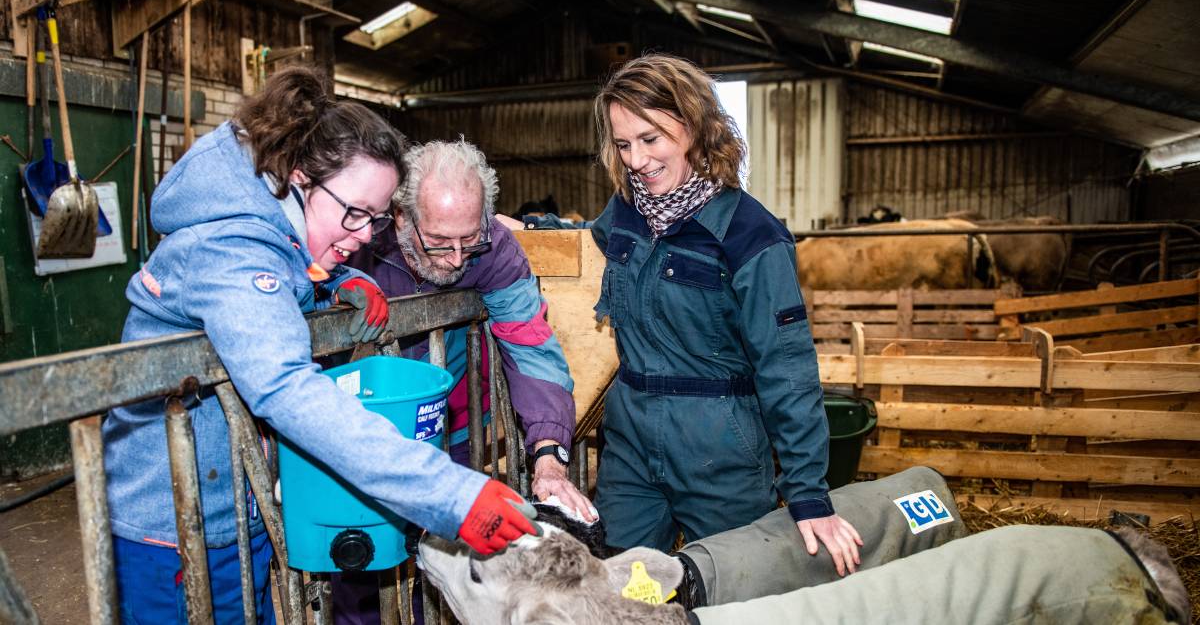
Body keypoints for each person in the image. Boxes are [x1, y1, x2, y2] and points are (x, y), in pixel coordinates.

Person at [101, 68, 537, 624]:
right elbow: (285, 387)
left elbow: (274, 286)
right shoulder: (234, 248)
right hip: (174, 527)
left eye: (374, 220)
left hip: (233, 507)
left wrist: (326, 283)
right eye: (354, 213)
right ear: (302, 178)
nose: (362, 237)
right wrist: (452, 496)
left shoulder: (272, 228)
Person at [588, 54, 863, 575]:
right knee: (621, 583)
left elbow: (788, 369)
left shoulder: (751, 236)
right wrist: (533, 230)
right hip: (630, 444)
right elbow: (588, 236)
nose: (637, 160)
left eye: (651, 139)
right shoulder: (626, 210)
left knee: (736, 587)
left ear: (694, 126)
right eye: (623, 145)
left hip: (720, 447)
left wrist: (808, 494)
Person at [334, 138, 594, 623]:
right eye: (438, 242)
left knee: (440, 563)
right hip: (357, 438)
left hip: (446, 433)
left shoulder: (494, 247)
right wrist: (332, 286)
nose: (456, 259)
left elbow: (530, 344)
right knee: (361, 568)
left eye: (468, 240)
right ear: (402, 217)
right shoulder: (357, 237)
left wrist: (549, 456)